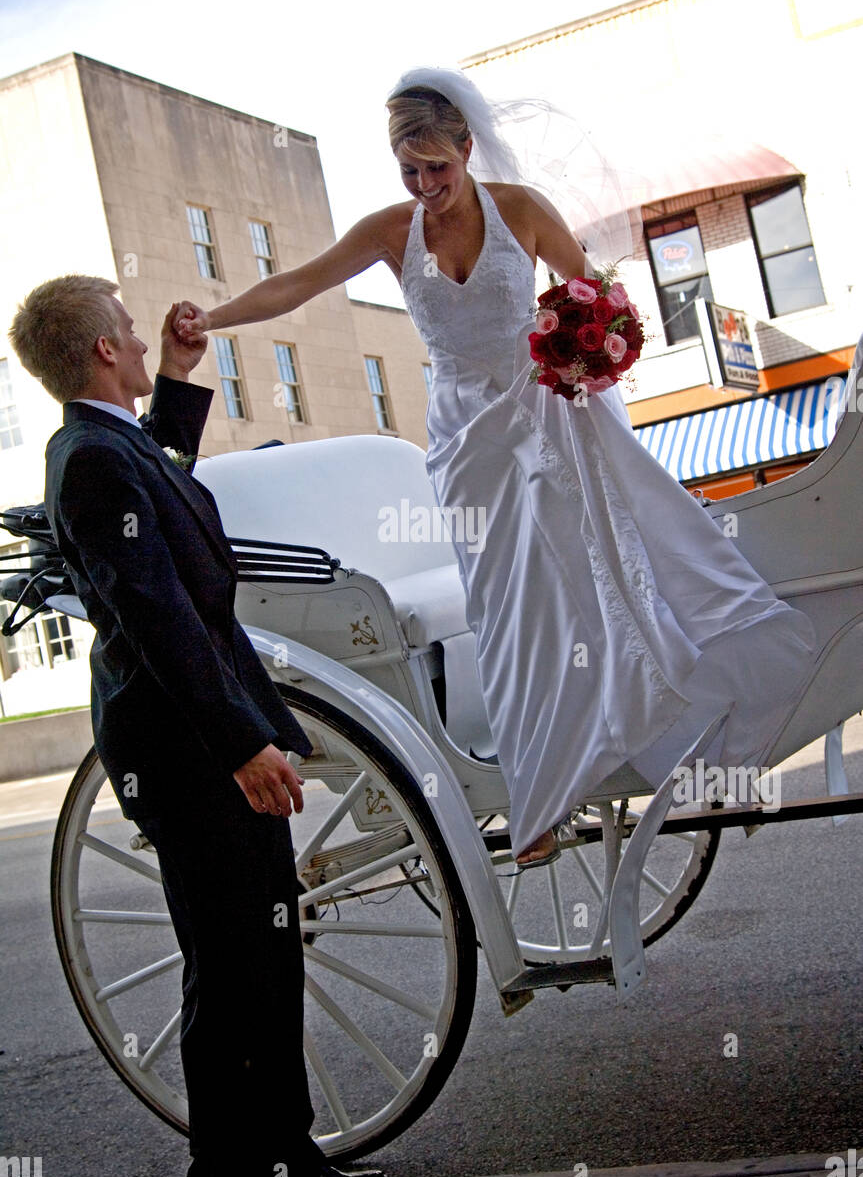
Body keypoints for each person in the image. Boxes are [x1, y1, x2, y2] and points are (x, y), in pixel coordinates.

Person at [174, 67, 816, 869]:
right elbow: (300, 282)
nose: (425, 186)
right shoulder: (388, 231)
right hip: (466, 442)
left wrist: (584, 343)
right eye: (409, 172)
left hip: (550, 417)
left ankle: (643, 726)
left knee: (591, 575)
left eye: (437, 169)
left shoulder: (519, 210)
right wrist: (215, 320)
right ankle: (535, 793)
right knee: (505, 602)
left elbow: (595, 295)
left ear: (466, 149)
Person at [9, 276, 379, 1177]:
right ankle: (227, 1169)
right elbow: (156, 612)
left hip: (198, 730)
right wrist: (240, 745)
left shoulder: (107, 447)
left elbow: (161, 487)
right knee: (230, 959)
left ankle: (283, 1154)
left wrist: (177, 374)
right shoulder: (90, 461)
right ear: (101, 350)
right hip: (183, 744)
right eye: (132, 333)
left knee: (266, 946)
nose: (141, 338)